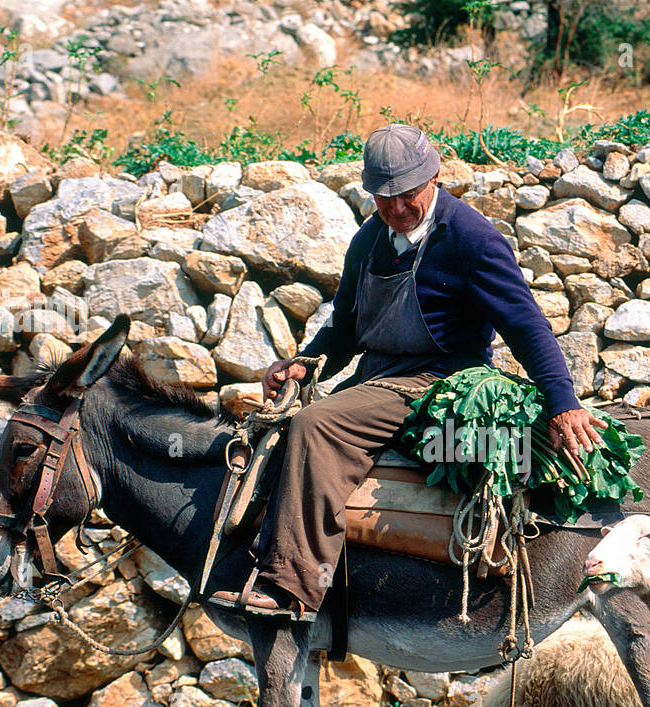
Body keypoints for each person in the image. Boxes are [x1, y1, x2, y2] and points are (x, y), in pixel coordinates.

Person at [209, 124, 603, 617]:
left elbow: (527, 327)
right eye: (383, 198)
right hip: (379, 374)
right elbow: (345, 331)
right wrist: (302, 366)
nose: (395, 209)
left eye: (407, 196)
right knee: (285, 427)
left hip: (440, 381)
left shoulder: (472, 240)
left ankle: (292, 587)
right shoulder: (370, 239)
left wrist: (562, 401)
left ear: (435, 178)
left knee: (315, 425)